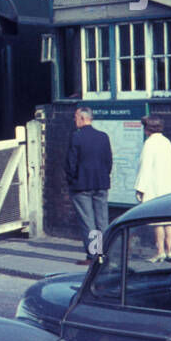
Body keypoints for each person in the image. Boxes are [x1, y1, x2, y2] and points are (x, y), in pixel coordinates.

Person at [65, 106, 112, 264]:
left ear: (83, 118)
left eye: (76, 117)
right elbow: (109, 161)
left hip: (82, 185)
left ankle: (94, 256)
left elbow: (71, 163)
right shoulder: (103, 137)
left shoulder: (76, 137)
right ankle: (104, 253)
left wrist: (71, 180)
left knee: (88, 221)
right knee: (102, 220)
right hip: (101, 183)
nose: (74, 120)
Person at [133, 115, 171, 262]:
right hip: (168, 184)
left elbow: (145, 167)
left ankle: (160, 252)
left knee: (157, 220)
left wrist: (140, 188)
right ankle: (170, 250)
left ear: (147, 128)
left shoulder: (149, 144)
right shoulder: (167, 142)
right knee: (169, 219)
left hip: (154, 184)